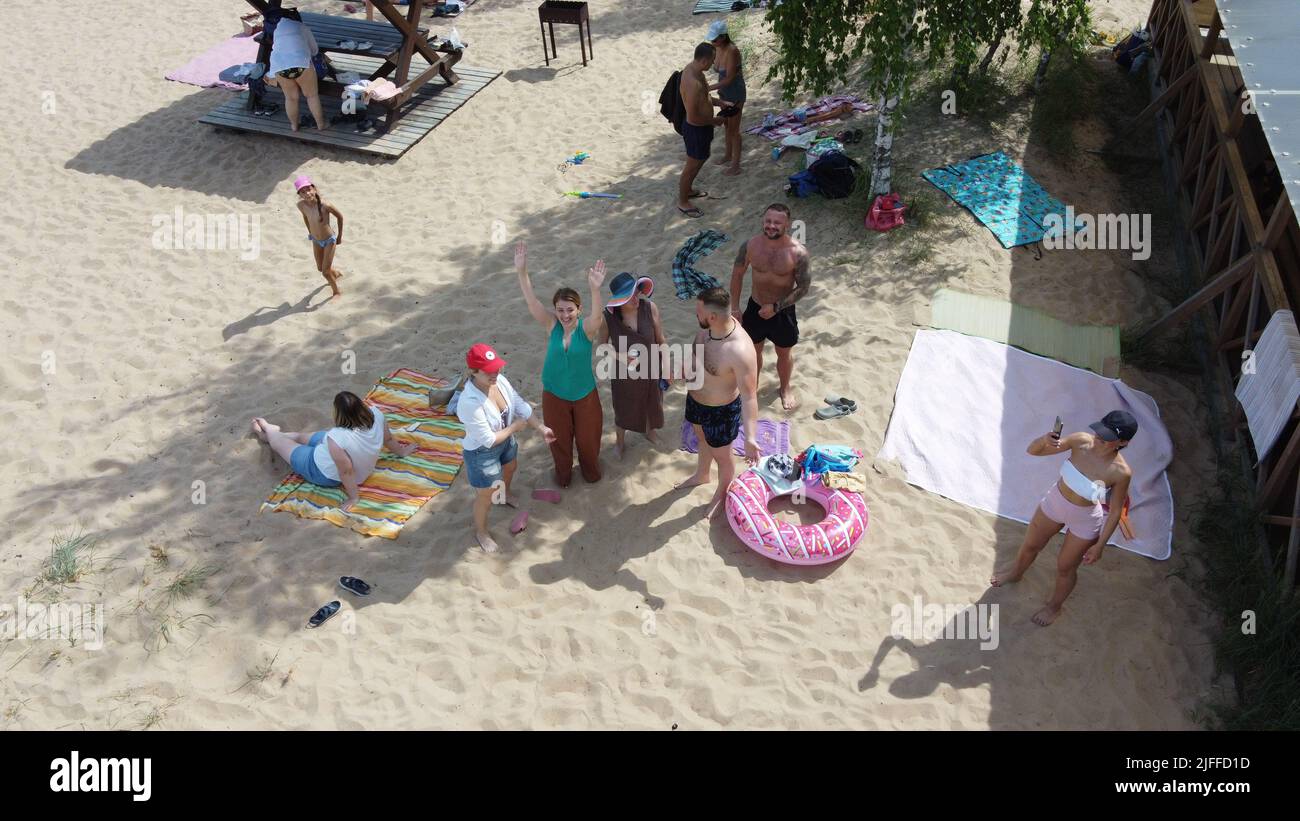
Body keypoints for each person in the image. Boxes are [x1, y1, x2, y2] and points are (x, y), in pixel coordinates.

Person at [990, 410, 1138, 627]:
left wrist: (1100, 546)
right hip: (1055, 502)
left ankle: (1054, 607)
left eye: (1106, 438)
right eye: (1098, 432)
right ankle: (1015, 572)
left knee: (1065, 567)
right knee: (1030, 545)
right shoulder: (1080, 441)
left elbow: (1115, 511)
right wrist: (1044, 440)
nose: (1098, 439)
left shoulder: (1121, 472)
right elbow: (1033, 451)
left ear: (1122, 442)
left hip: (1085, 518)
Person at [515, 241, 606, 487]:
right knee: (559, 440)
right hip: (554, 394)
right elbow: (532, 302)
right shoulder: (552, 325)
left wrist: (595, 289)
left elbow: (597, 317)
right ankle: (563, 475)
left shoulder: (585, 330)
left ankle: (590, 471)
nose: (565, 315)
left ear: (579, 310)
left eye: (570, 310)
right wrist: (522, 272)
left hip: (584, 395)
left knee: (588, 439)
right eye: (560, 310)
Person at [456, 343, 556, 553]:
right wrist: (515, 427)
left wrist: (541, 427)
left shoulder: (499, 380)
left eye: (497, 368)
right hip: (482, 452)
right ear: (473, 372)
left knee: (511, 466)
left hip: (505, 440)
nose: (495, 373)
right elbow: (488, 440)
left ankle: (506, 494)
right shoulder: (469, 402)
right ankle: (481, 531)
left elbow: (519, 404)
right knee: (486, 495)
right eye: (489, 370)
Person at [251, 391, 417, 511]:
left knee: (280, 443)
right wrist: (401, 452)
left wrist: (354, 497)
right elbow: (388, 439)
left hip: (319, 469)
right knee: (301, 437)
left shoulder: (337, 437)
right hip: (333, 448)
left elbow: (346, 471)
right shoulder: (377, 414)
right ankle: (277, 436)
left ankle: (270, 430)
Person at [676, 287, 760, 518]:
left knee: (723, 456)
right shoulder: (706, 332)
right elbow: (696, 359)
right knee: (702, 439)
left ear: (712, 316)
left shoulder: (739, 350)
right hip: (696, 402)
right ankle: (702, 474)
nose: (696, 314)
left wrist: (751, 437)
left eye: (699, 311)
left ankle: (721, 494)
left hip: (720, 410)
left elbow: (750, 395)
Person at [730, 203, 811, 411]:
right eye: (768, 221)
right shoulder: (750, 246)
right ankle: (752, 388)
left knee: (783, 353)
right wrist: (735, 307)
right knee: (753, 351)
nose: (771, 226)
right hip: (755, 308)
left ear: (787, 225)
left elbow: (803, 288)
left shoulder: (798, 253)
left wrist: (776, 307)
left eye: (777, 222)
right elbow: (737, 274)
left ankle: (785, 388)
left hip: (782, 312)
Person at [597, 272, 667, 458]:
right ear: (619, 300)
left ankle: (650, 432)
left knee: (653, 403)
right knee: (623, 408)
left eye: (636, 292)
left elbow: (661, 340)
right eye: (629, 296)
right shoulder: (608, 318)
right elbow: (602, 347)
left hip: (652, 369)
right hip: (623, 374)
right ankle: (620, 443)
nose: (635, 298)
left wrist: (667, 366)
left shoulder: (650, 308)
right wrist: (619, 355)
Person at [677, 43, 735, 218]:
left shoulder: (696, 71)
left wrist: (720, 103)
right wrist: (714, 120)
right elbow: (693, 117)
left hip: (702, 128)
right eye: (711, 60)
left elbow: (706, 97)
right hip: (696, 129)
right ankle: (683, 201)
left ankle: (688, 190)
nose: (713, 64)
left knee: (700, 159)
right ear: (703, 60)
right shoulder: (692, 82)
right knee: (691, 165)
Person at [262, 10, 327, 132]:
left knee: (291, 98)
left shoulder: (277, 31)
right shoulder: (302, 27)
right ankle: (320, 125)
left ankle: (294, 126)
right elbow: (314, 50)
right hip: (301, 64)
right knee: (311, 96)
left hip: (280, 67)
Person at [294, 176, 345, 299]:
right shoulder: (301, 205)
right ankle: (336, 273)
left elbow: (340, 217)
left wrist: (339, 237)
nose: (306, 193)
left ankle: (336, 292)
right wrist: (310, 232)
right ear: (299, 194)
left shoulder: (325, 205)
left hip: (329, 240)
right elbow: (305, 217)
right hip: (316, 240)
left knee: (325, 272)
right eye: (302, 191)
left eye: (308, 189)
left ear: (314, 189)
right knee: (319, 268)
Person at [706, 20, 746, 177]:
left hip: (735, 92)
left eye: (714, 39)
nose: (712, 41)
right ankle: (728, 155)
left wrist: (708, 88)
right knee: (727, 126)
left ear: (723, 37)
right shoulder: (717, 49)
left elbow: (729, 78)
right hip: (724, 91)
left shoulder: (732, 51)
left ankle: (736, 165)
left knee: (734, 130)